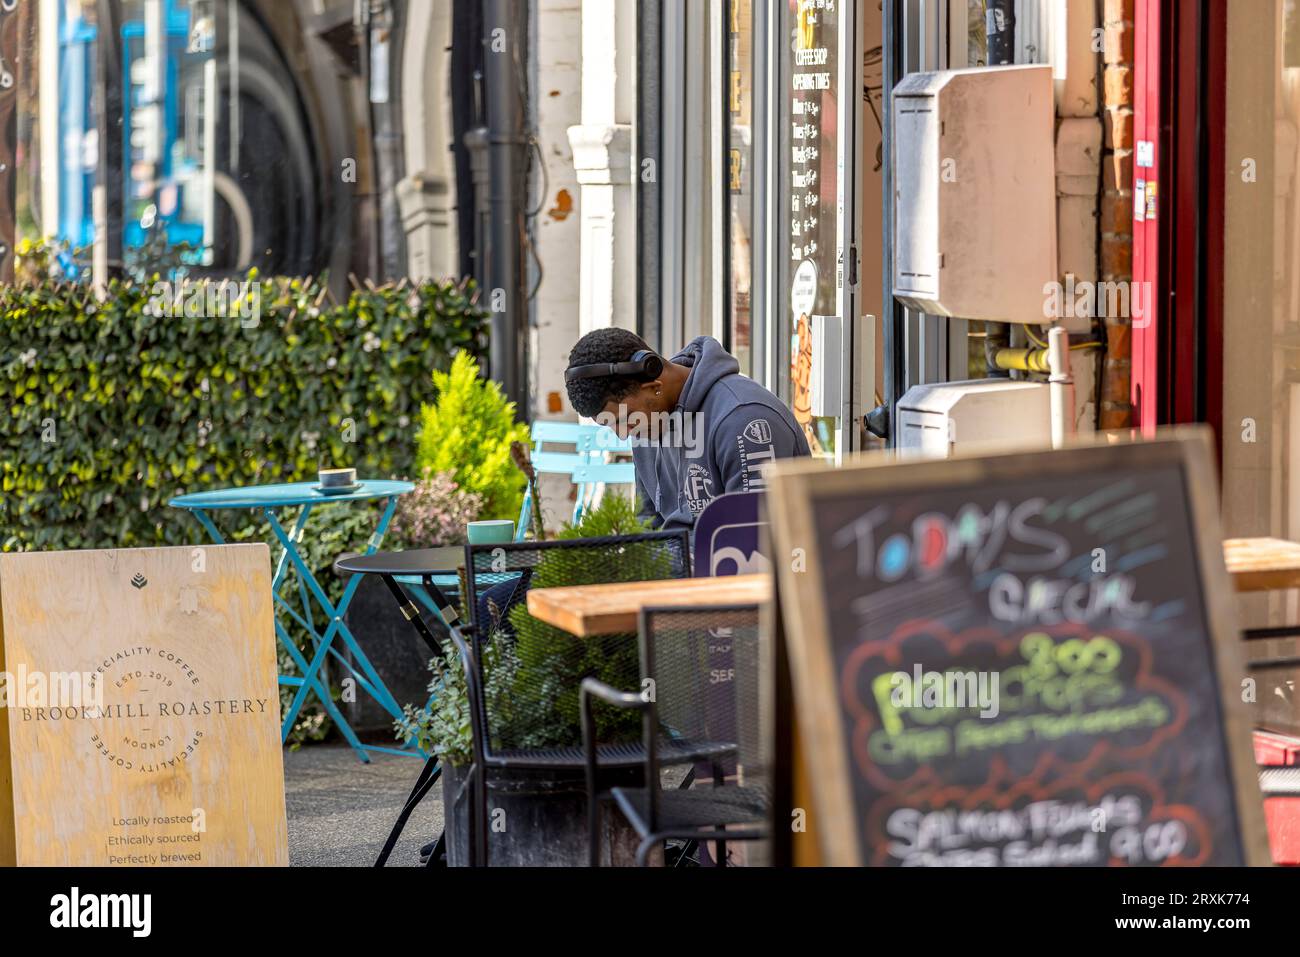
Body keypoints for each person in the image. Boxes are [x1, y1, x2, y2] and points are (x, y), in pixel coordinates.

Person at [564, 328, 811, 535]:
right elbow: (648, 525)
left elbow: (754, 544)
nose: (624, 434)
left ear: (654, 386)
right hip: (681, 584)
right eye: (610, 424)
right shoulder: (646, 427)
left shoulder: (745, 419)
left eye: (625, 419)